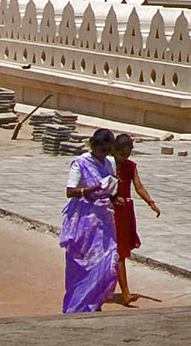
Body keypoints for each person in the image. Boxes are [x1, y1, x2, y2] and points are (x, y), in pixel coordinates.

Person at [61, 129, 119, 313]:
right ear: (93, 146)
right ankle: (77, 307)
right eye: (101, 150)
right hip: (84, 222)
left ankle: (95, 302)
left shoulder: (109, 162)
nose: (104, 154)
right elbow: (70, 191)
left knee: (108, 265)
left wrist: (115, 198)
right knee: (84, 265)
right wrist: (92, 189)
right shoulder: (80, 163)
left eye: (107, 151)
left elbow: (112, 187)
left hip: (104, 220)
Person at [110, 132, 161, 305]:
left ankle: (123, 291)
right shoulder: (108, 165)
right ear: (114, 150)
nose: (124, 158)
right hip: (109, 211)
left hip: (124, 212)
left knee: (121, 253)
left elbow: (138, 186)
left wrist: (150, 202)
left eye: (127, 154)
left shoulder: (130, 167)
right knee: (117, 253)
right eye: (121, 154)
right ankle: (124, 292)